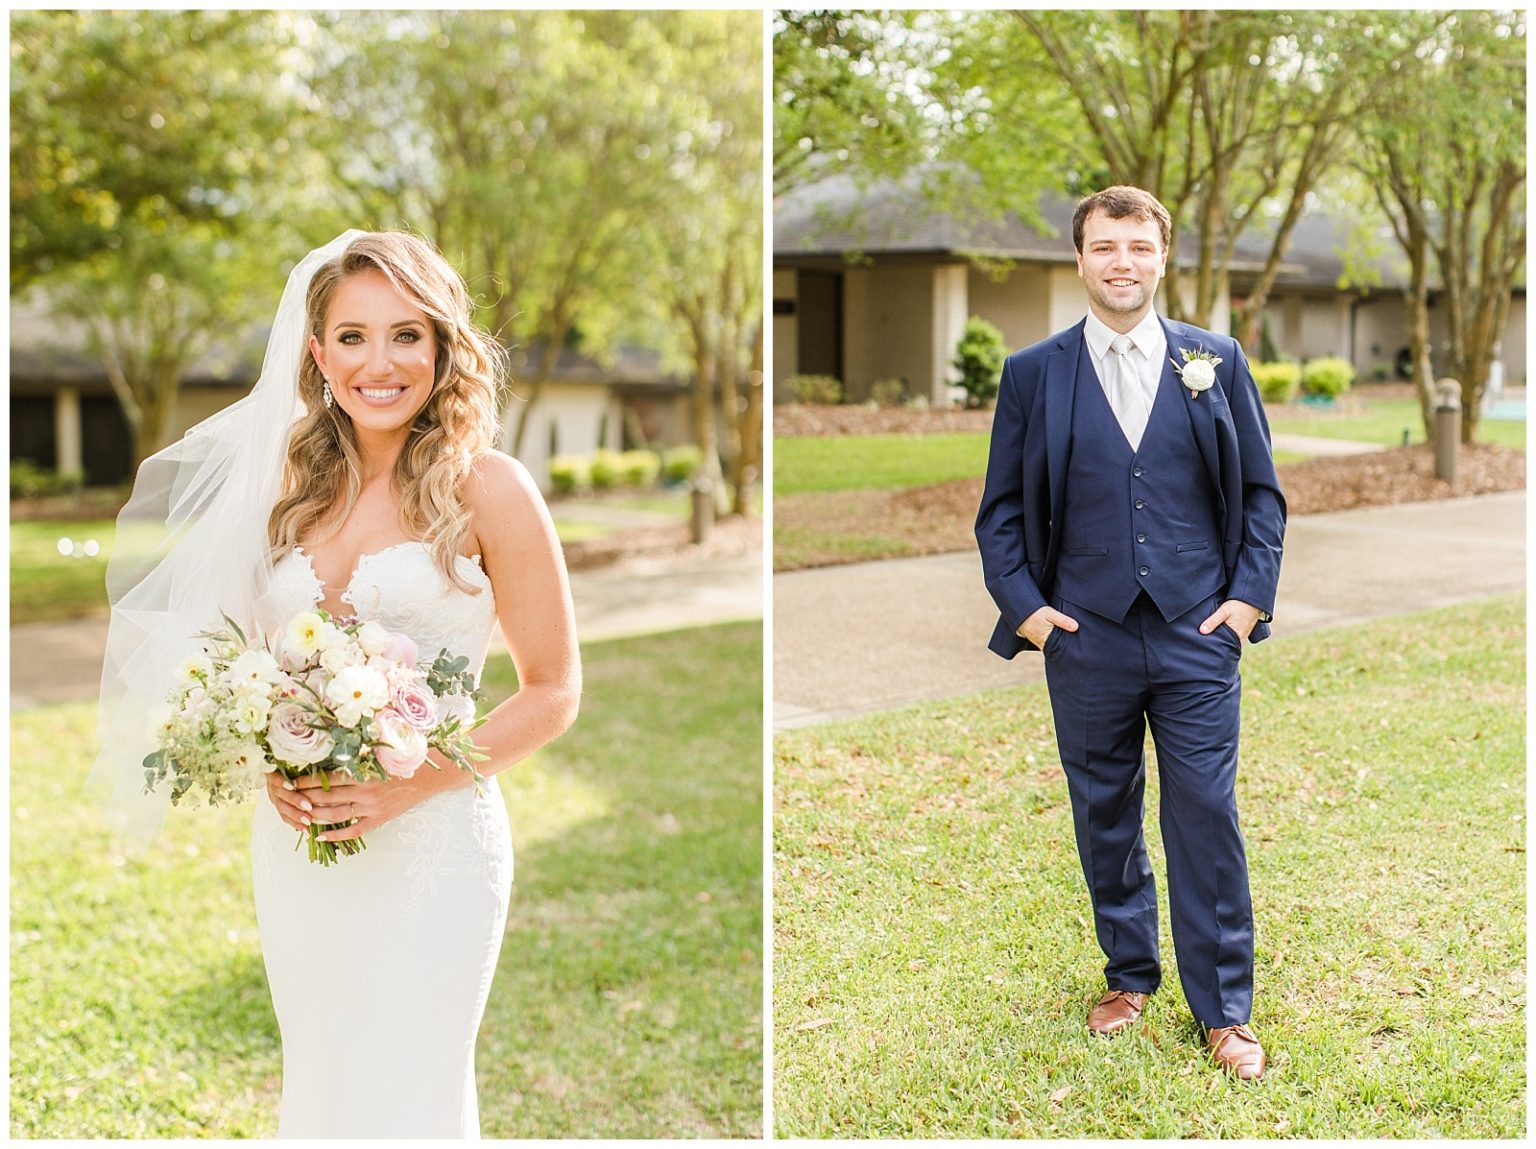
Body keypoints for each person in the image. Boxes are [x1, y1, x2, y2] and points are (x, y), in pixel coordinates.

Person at [93, 231, 581, 1135]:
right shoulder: (285, 489)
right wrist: (269, 750)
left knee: (418, 1084)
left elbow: (553, 690)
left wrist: (412, 782)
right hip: (300, 849)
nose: (380, 362)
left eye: (406, 334)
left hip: (438, 843)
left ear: (442, 347)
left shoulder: (493, 491)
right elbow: (240, 661)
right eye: (352, 337)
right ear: (317, 355)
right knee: (320, 1077)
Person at [974, 186, 1285, 1080]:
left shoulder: (1214, 361)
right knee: (1102, 810)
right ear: (1079, 260)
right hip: (1086, 636)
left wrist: (1247, 601)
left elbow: (1261, 494)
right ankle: (1128, 972)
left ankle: (1225, 1010)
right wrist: (1030, 611)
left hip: (1197, 633)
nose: (1122, 262)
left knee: (1205, 813)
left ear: (1161, 258)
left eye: (1139, 247)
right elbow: (999, 512)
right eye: (1105, 246)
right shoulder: (1034, 372)